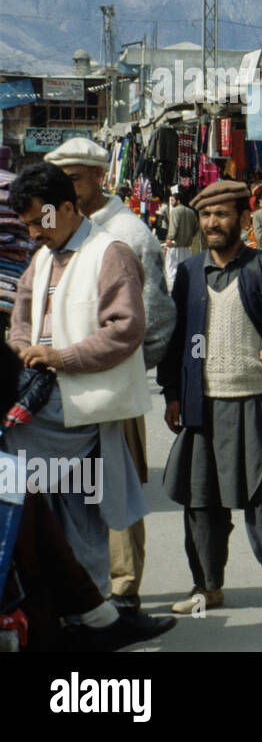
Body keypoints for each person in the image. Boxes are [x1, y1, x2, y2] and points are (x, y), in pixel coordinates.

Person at [157, 180, 262, 622]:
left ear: (244, 219)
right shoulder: (190, 273)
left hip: (257, 405)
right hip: (202, 406)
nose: (212, 223)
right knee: (201, 503)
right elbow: (177, 340)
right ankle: (207, 587)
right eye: (206, 215)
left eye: (222, 214)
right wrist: (173, 394)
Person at [2, 164, 153, 598]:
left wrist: (61, 357)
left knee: (81, 514)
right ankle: (80, 611)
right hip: (48, 404)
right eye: (28, 225)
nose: (34, 233)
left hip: (84, 410)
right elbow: (21, 318)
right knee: (62, 513)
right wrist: (20, 349)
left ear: (68, 207)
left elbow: (126, 328)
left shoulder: (110, 253)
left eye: (41, 221)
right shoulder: (42, 258)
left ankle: (94, 608)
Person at [44, 137, 176, 616]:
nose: (67, 189)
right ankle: (82, 590)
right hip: (63, 387)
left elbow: (157, 319)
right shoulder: (57, 229)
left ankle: (123, 592)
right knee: (71, 489)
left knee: (115, 489)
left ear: (101, 177)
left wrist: (127, 372)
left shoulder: (128, 234)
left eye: (75, 179)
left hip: (114, 387)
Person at [163, 186, 199, 287]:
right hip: (186, 247)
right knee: (184, 270)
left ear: (178, 201)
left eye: (172, 200)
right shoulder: (191, 212)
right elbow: (196, 228)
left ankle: (173, 290)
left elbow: (173, 227)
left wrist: (169, 239)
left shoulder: (175, 211)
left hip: (175, 245)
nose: (171, 202)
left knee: (171, 270)